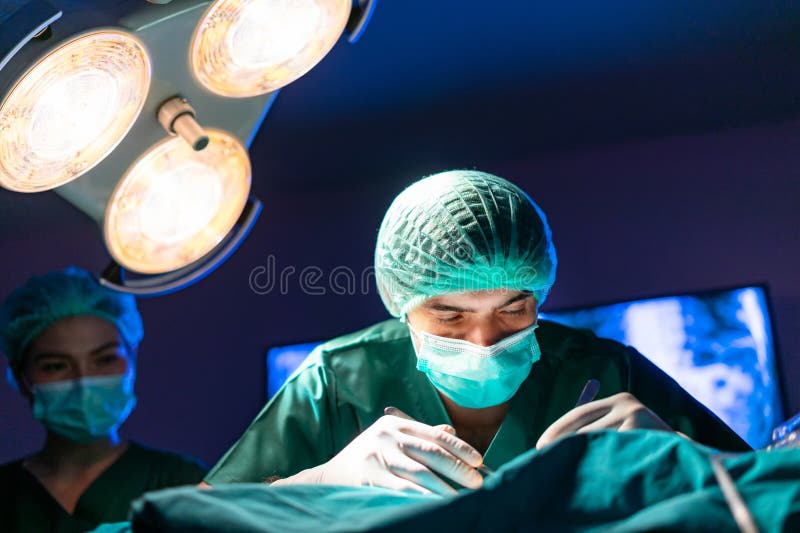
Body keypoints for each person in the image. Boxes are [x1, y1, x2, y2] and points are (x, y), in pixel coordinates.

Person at [204, 170, 750, 495]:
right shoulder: (337, 380)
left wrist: (687, 457)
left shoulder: (605, 371)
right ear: (402, 302)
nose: (485, 342)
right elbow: (197, 519)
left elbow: (771, 491)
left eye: (514, 309)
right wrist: (319, 483)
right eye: (450, 316)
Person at [0, 267, 206, 532]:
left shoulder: (181, 483)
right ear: (21, 378)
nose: (83, 381)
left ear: (132, 361)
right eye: (55, 366)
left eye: (105, 359)